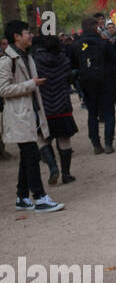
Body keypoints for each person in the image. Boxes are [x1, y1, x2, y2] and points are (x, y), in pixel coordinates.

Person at [1, 21, 64, 212]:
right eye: (27, 32)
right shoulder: (7, 61)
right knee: (32, 155)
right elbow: (2, 89)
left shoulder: (26, 56)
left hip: (30, 114)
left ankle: (22, 197)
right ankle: (39, 197)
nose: (31, 35)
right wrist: (30, 84)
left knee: (27, 156)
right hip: (19, 116)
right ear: (17, 36)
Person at [32, 34, 77, 186]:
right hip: (63, 105)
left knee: (42, 139)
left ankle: (52, 167)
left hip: (44, 107)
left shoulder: (36, 62)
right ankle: (66, 173)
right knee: (64, 139)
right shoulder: (64, 61)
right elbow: (69, 79)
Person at [74, 17, 116, 153]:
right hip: (106, 81)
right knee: (109, 112)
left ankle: (96, 144)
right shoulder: (104, 43)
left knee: (92, 113)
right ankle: (108, 143)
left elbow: (73, 65)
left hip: (87, 83)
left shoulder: (76, 45)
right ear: (95, 27)